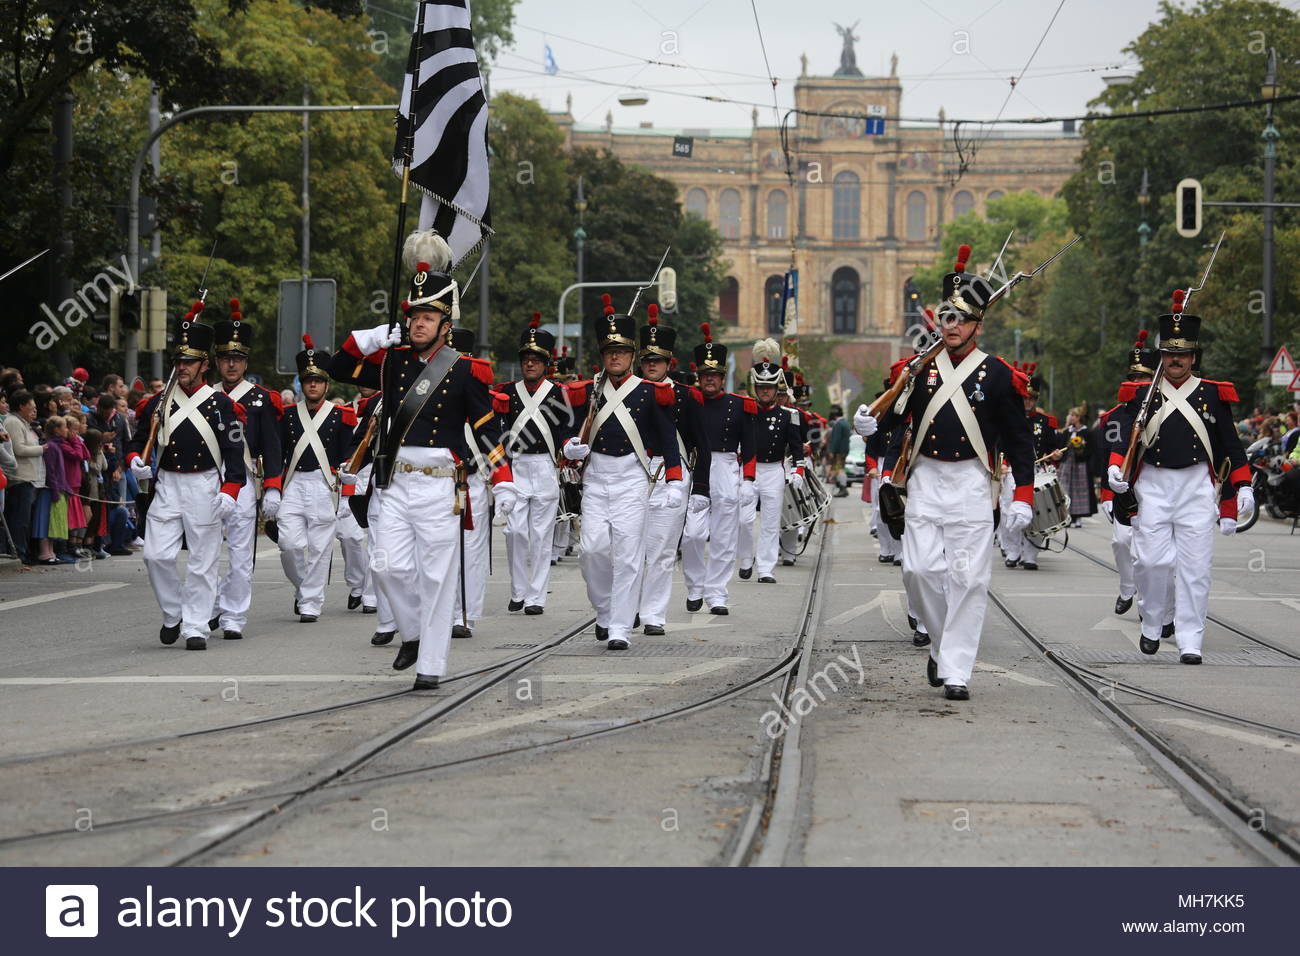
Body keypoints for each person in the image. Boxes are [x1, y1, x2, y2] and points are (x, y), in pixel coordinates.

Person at [853, 243, 1036, 701]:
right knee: (917, 570)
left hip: (973, 483)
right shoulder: (916, 372)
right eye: (946, 318)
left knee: (969, 580)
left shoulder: (998, 376)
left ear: (977, 324)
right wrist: (868, 426)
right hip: (926, 482)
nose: (952, 327)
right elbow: (891, 427)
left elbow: (1018, 441)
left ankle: (956, 669)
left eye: (962, 319)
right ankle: (940, 642)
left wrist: (1025, 494)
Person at [338, 230, 516, 689]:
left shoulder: (465, 369)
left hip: (440, 485)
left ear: (445, 323)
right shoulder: (392, 362)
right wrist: (374, 337)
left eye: (428, 315)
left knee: (437, 580)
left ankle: (431, 666)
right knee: (386, 567)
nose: (418, 323)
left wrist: (505, 478)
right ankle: (413, 633)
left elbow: (485, 428)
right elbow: (335, 366)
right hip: (395, 482)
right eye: (414, 314)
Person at [1105, 290, 1251, 664]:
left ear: (1193, 357)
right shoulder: (1142, 394)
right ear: (1161, 358)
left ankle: (1190, 639)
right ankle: (1152, 621)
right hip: (1152, 486)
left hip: (1196, 488)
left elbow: (1230, 446)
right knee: (1151, 563)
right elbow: (1126, 436)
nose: (1175, 360)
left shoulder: (1213, 395)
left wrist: (1244, 485)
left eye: (1182, 354)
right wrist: (1114, 466)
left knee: (1195, 569)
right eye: (1170, 354)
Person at [562, 296, 683, 650]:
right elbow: (568, 432)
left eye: (622, 351)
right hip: (596, 478)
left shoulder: (650, 392)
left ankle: (619, 627)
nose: (615, 357)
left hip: (632, 479)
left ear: (633, 356)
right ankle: (604, 608)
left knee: (630, 555)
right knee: (592, 550)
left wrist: (674, 480)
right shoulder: (588, 391)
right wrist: (569, 448)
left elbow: (666, 439)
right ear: (602, 356)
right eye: (609, 351)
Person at [127, 308, 247, 650]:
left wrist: (230, 489)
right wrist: (135, 458)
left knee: (203, 561)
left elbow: (234, 452)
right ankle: (174, 612)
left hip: (204, 485)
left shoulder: (222, 405)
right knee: (155, 556)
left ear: (204, 365)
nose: (182, 367)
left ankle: (195, 626)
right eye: (179, 361)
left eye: (190, 362)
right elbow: (137, 441)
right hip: (166, 485)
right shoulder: (158, 403)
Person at [494, 314, 579, 617]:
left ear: (546, 363)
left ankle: (536, 597)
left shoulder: (558, 394)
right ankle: (518, 591)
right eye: (526, 358)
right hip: (515, 467)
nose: (530, 364)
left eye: (536, 359)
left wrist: (571, 446)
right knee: (515, 533)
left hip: (544, 466)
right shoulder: (506, 390)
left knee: (541, 535)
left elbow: (566, 431)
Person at [208, 303, 285, 640]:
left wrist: (273, 487)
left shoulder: (260, 399)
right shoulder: (204, 398)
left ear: (246, 362)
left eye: (237, 358)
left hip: (244, 483)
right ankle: (207, 608)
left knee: (241, 555)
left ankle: (233, 615)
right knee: (205, 553)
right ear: (216, 361)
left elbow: (272, 446)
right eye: (226, 357)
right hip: (208, 480)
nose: (231, 364)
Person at [635, 305, 709, 635]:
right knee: (628, 548)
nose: (652, 365)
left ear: (668, 363)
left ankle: (653, 614)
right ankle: (629, 606)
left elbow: (701, 445)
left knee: (663, 551)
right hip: (631, 474)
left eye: (658, 360)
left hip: (671, 474)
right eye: (648, 360)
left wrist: (701, 490)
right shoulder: (627, 393)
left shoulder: (687, 397)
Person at [680, 324, 757, 616]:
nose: (709, 380)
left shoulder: (740, 406)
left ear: (723, 378)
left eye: (714, 376)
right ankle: (695, 586)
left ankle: (717, 593)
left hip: (726, 468)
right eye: (705, 376)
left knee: (725, 536)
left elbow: (749, 447)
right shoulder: (689, 402)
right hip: (697, 466)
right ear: (698, 377)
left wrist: (748, 480)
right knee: (692, 535)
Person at [1099, 330, 1158, 616]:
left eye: (1144, 379)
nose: (1138, 384)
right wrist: (1106, 493)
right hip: (1123, 491)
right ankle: (1126, 587)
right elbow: (1106, 456)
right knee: (1121, 542)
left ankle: (1150, 604)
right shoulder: (1113, 416)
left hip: (1155, 486)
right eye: (1134, 379)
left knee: (1151, 552)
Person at [450, 326, 495, 638]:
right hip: (434, 482)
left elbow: (495, 440)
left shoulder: (485, 398)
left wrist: (502, 478)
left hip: (472, 482)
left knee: (471, 553)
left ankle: (464, 615)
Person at [746, 357, 806, 583]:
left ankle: (765, 568)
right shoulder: (746, 409)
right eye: (761, 387)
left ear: (775, 388)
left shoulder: (788, 415)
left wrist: (798, 469)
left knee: (770, 522)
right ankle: (745, 558)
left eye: (769, 387)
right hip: (749, 470)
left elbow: (796, 444)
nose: (764, 391)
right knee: (745, 519)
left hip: (773, 471)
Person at [999, 365, 1060, 571]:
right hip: (1011, 472)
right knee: (1010, 513)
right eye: (1025, 398)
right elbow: (1000, 447)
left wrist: (1056, 455)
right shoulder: (1007, 420)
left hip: (1038, 472)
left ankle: (1031, 553)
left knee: (1038, 513)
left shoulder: (1046, 422)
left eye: (1032, 399)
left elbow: (1054, 448)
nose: (1028, 402)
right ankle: (1013, 550)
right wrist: (1003, 465)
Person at [2, 390, 43, 563]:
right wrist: (43, 449)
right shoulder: (13, 422)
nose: (34, 410)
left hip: (28, 477)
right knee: (19, 519)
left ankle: (22, 551)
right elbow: (19, 449)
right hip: (19, 478)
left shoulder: (24, 423)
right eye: (31, 407)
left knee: (24, 519)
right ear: (21, 406)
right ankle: (19, 553)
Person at [826, 405, 851, 496]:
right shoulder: (846, 423)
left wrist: (832, 451)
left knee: (839, 468)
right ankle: (842, 488)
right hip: (844, 449)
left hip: (839, 450)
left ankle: (843, 488)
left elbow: (836, 439)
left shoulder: (838, 424)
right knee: (840, 468)